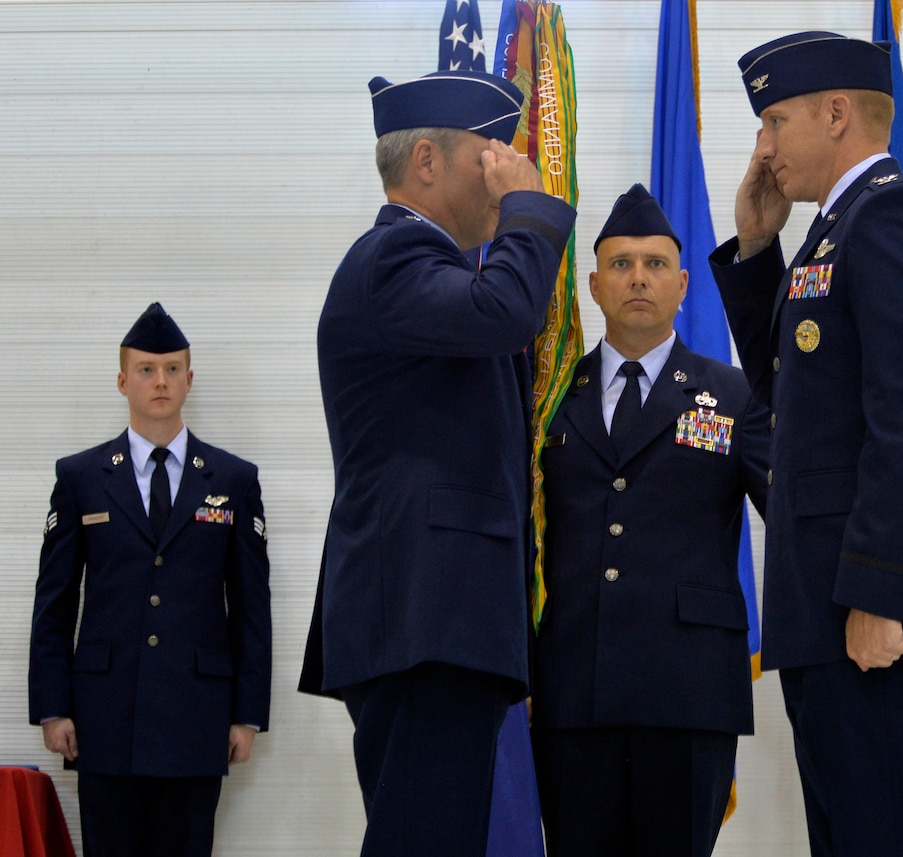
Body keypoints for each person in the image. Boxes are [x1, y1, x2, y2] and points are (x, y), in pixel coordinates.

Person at [709, 32, 903, 857]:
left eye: (774, 120)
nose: (764, 148)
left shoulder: (891, 215)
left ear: (834, 114)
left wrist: (880, 592)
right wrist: (758, 252)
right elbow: (791, 396)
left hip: (862, 607)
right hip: (822, 603)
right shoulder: (834, 231)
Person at [299, 70, 576, 857]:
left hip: (443, 618)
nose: (505, 175)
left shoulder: (432, 271)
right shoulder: (393, 259)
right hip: (423, 615)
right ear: (426, 159)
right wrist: (534, 210)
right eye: (491, 157)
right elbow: (508, 311)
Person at [530, 184, 769, 857]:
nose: (639, 277)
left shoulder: (733, 394)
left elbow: (790, 507)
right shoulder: (551, 399)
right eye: (623, 263)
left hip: (688, 689)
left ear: (684, 282)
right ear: (595, 283)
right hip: (574, 690)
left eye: (657, 264)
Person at [28, 302, 272, 857]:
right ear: (122, 380)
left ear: (190, 379)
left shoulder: (233, 479)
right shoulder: (81, 477)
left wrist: (247, 714)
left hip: (196, 716)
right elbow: (55, 600)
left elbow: (252, 606)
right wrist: (52, 705)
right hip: (103, 715)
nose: (159, 381)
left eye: (171, 369)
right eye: (145, 369)